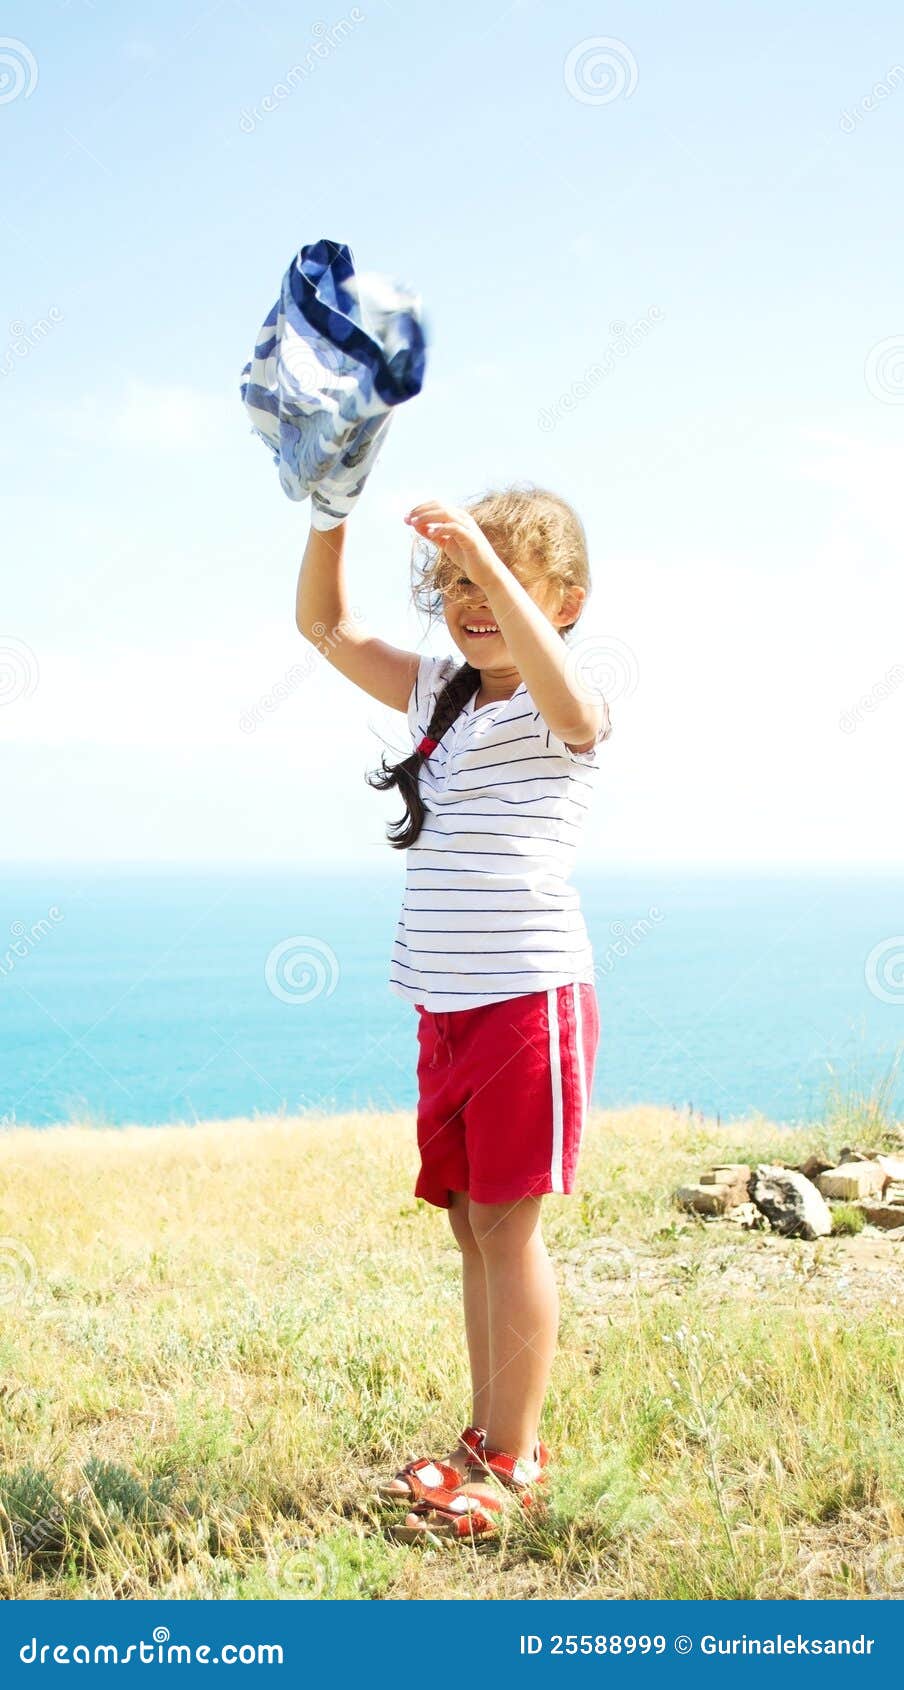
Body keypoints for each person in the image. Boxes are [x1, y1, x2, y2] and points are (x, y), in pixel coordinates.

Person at [295, 487, 610, 1541]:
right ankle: (484, 1439)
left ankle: (515, 1461)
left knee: (510, 1225)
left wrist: (477, 545)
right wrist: (329, 507)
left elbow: (571, 712)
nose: (477, 600)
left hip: (528, 998)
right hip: (447, 1001)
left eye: (507, 582)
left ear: (564, 602)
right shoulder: (443, 694)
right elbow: (324, 626)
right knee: (472, 1226)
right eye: (461, 582)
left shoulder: (568, 698)